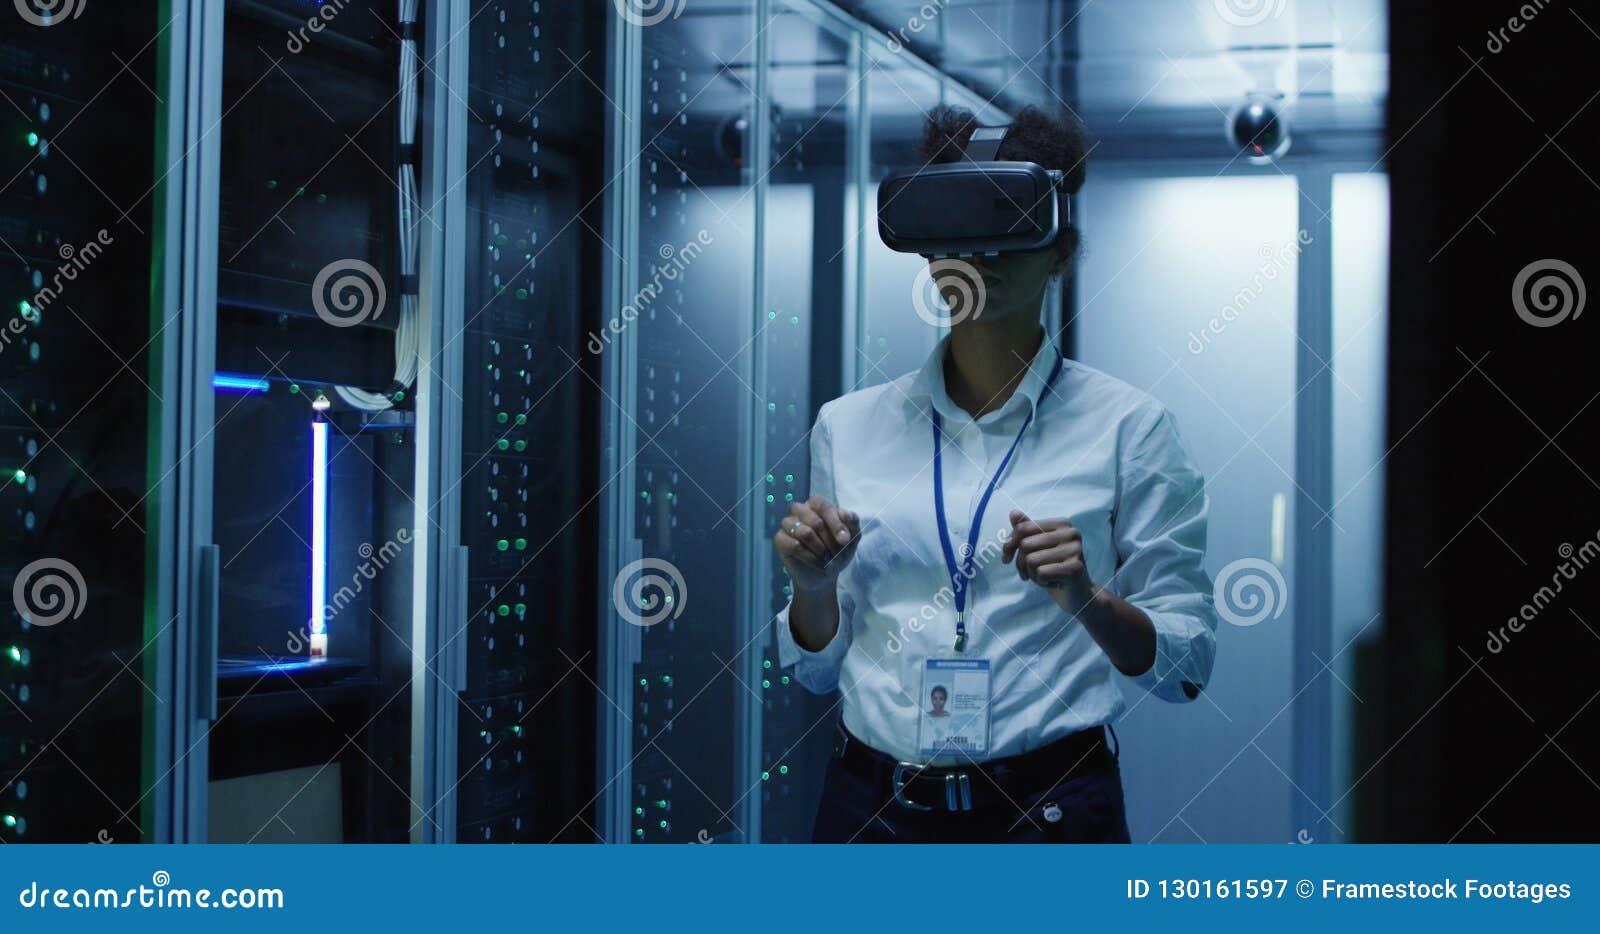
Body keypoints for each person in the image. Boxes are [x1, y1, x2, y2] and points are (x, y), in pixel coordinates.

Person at [772, 105, 1218, 844]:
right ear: (928, 251)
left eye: (1010, 222)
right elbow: (817, 668)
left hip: (1047, 817)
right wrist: (811, 585)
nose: (982, 254)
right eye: (963, 228)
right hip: (869, 814)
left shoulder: (1130, 427)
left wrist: (1088, 600)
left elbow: (1187, 665)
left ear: (1060, 250)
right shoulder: (846, 427)